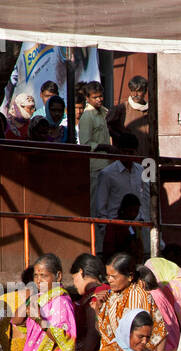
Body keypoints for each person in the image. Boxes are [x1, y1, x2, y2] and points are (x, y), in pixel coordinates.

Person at [77, 82, 111, 242]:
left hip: (108, 167)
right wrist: (103, 147)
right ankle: (94, 243)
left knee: (105, 206)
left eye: (100, 96)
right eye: (95, 97)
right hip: (95, 167)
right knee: (95, 206)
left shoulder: (105, 113)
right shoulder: (86, 117)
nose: (99, 99)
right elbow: (85, 144)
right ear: (88, 98)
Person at [68, 253, 108, 351]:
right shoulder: (104, 291)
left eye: (74, 278)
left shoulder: (96, 296)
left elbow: (93, 333)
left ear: (81, 272)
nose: (74, 284)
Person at [106, 74, 150, 152]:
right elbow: (107, 127)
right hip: (127, 157)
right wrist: (121, 138)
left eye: (139, 91)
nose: (135, 94)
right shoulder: (121, 109)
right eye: (133, 90)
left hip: (146, 156)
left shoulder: (151, 111)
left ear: (145, 91)